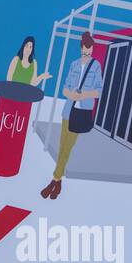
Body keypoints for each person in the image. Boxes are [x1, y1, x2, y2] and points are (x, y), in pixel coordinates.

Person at [39, 31, 104, 199]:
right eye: (84, 50)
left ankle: (53, 180)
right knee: (62, 147)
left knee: (67, 148)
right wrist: (71, 94)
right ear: (81, 47)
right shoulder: (74, 65)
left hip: (81, 113)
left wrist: (84, 95)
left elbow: (99, 91)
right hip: (68, 110)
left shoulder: (96, 66)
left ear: (92, 49)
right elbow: (65, 87)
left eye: (89, 50)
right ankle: (58, 183)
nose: (86, 53)